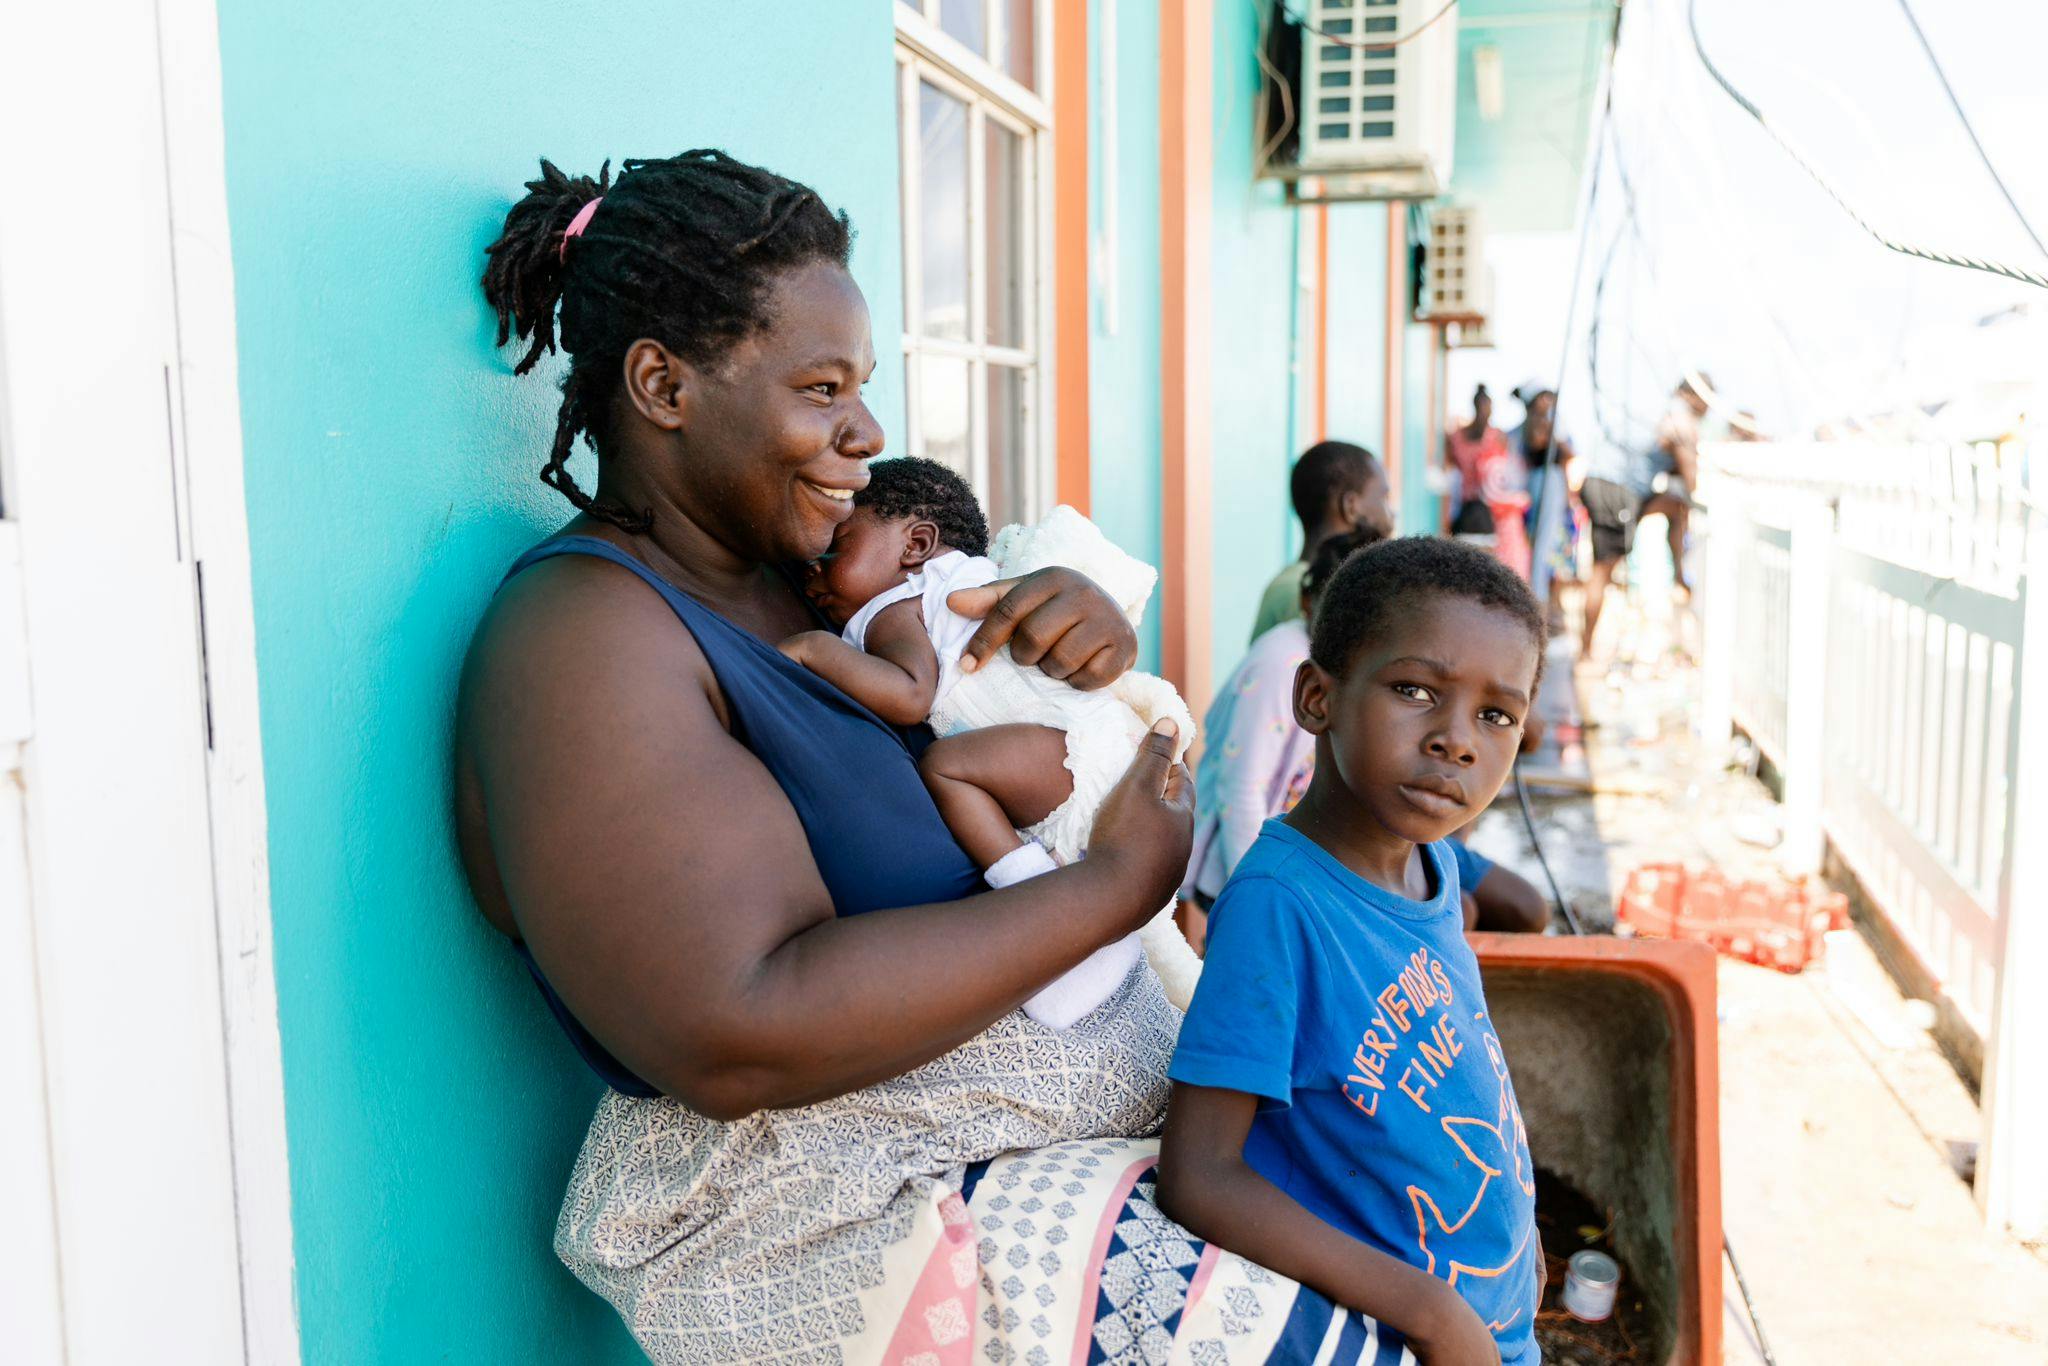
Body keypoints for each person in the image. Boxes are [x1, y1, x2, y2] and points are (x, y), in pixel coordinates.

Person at [460, 150, 1355, 1363]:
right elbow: (737, 1026)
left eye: (861, 388)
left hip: (1090, 1133)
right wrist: (1110, 890)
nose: (865, 433)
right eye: (821, 389)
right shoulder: (582, 641)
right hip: (888, 1220)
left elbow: (965, 709)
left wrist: (1072, 639)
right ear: (663, 386)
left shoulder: (802, 588)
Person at [1157, 537, 1548, 1366]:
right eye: (1415, 690)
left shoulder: (1430, 862)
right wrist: (1434, 1314)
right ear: (1317, 698)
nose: (1457, 741)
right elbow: (1199, 1173)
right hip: (1410, 1338)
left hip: (1496, 1320)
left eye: (1496, 715)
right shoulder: (1279, 905)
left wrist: (1523, 1241)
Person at [784, 455, 1198, 1028]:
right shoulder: (970, 575)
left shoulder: (895, 603)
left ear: (916, 543)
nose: (814, 573)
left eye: (834, 549)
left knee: (946, 768)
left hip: (1070, 751)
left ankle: (1044, 918)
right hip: (1096, 747)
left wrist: (810, 649)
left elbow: (907, 693)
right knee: (1172, 964)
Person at [1578, 375, 1704, 660]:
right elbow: (1692, 479)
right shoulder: (1681, 421)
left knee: (1677, 506)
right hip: (1615, 490)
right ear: (1695, 396)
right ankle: (1585, 651)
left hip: (1608, 485)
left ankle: (1679, 573)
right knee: (1602, 572)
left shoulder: (1661, 409)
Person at [1250, 439, 1394, 641]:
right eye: (1384, 497)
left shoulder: (1304, 585)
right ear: (1351, 507)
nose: (1392, 513)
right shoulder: (1301, 592)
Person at [1510, 386, 1576, 626]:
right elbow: (1537, 444)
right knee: (1541, 545)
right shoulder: (1534, 426)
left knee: (1555, 548)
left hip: (1554, 482)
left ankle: (1548, 605)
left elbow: (1569, 454)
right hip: (1542, 481)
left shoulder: (1553, 423)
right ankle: (1539, 603)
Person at [1443, 384, 1507, 536]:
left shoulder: (1497, 437)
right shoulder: (1456, 438)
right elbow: (1449, 474)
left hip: (1489, 510)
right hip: (1463, 508)